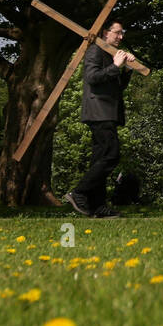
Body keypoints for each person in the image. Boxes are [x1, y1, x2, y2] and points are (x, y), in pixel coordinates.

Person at [64, 19, 133, 218]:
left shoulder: (109, 54)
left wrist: (125, 70)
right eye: (117, 33)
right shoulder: (95, 51)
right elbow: (92, 78)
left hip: (107, 112)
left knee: (99, 160)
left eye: (122, 33)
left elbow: (115, 86)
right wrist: (115, 65)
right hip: (98, 112)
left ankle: (97, 206)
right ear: (105, 32)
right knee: (111, 155)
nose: (121, 37)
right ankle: (79, 193)